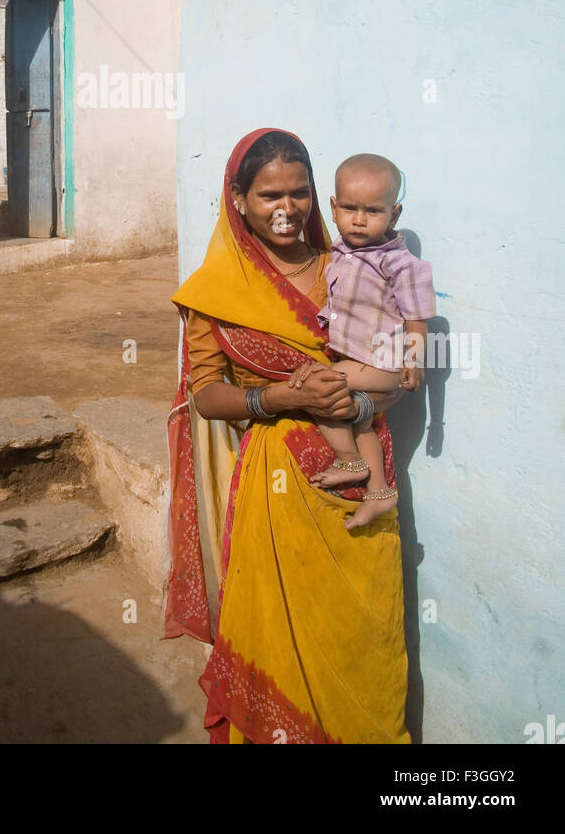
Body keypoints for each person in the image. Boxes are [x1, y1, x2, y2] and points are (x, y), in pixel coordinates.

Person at [165, 127, 410, 744]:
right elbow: (205, 393)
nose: (286, 208)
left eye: (299, 193)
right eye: (269, 194)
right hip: (274, 490)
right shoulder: (215, 291)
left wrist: (362, 394)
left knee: (362, 630)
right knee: (279, 632)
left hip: (361, 472)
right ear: (238, 199)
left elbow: (397, 371)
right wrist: (279, 397)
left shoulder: (348, 268)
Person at [291, 152, 435, 528]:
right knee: (361, 423)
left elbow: (416, 319)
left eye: (372, 211)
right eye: (350, 208)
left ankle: (348, 461)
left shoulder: (399, 265)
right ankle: (380, 492)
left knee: (317, 386)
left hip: (382, 363)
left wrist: (415, 362)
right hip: (358, 360)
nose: (358, 219)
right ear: (334, 208)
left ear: (394, 214)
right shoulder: (339, 252)